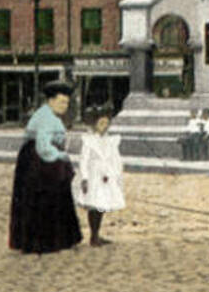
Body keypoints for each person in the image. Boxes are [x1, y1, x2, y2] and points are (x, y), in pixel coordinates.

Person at [9, 83, 82, 255]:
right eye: (61, 102)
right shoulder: (47, 118)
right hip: (39, 162)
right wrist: (60, 156)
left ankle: (48, 239)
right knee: (45, 199)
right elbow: (43, 146)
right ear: (50, 100)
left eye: (67, 103)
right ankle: (44, 242)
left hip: (35, 160)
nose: (65, 106)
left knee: (45, 200)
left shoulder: (48, 114)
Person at [73, 106, 125, 247]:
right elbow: (83, 160)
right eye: (101, 123)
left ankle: (97, 234)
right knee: (94, 205)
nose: (104, 126)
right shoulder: (89, 141)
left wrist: (114, 174)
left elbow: (115, 159)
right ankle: (93, 235)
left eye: (106, 123)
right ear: (95, 124)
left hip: (106, 176)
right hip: (94, 176)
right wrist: (84, 178)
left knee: (102, 205)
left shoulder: (111, 141)